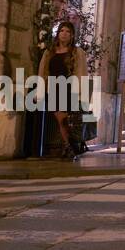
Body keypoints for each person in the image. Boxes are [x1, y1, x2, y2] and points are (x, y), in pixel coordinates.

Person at [37, 21, 89, 159]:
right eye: (62, 31)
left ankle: (68, 146)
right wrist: (40, 90)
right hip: (54, 88)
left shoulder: (77, 52)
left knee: (64, 119)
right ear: (58, 34)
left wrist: (80, 93)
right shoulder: (49, 52)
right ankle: (69, 147)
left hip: (69, 88)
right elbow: (42, 71)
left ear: (72, 35)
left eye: (67, 32)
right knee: (61, 119)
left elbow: (81, 72)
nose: (64, 34)